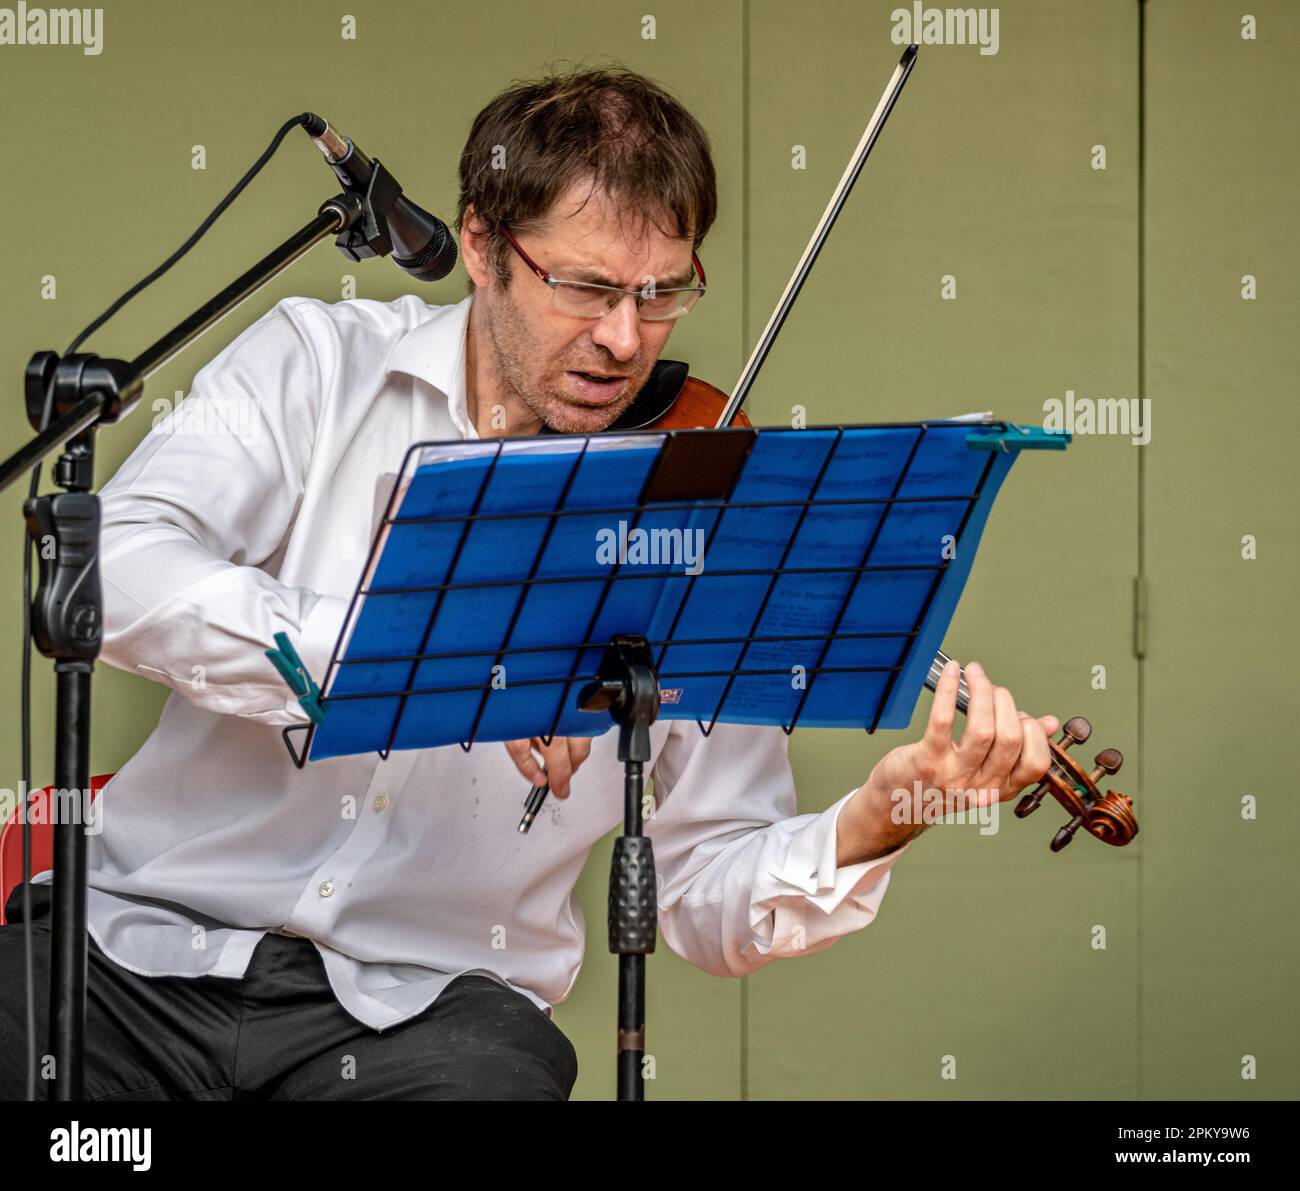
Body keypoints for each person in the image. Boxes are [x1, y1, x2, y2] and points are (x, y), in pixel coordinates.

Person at [0, 66, 1058, 1101]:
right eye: (586, 287)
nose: (623, 340)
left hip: (433, 1015)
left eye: (661, 294)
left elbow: (703, 893)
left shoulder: (700, 493)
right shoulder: (314, 366)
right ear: (478, 244)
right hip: (132, 955)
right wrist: (405, 661)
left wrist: (877, 815)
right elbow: (119, 557)